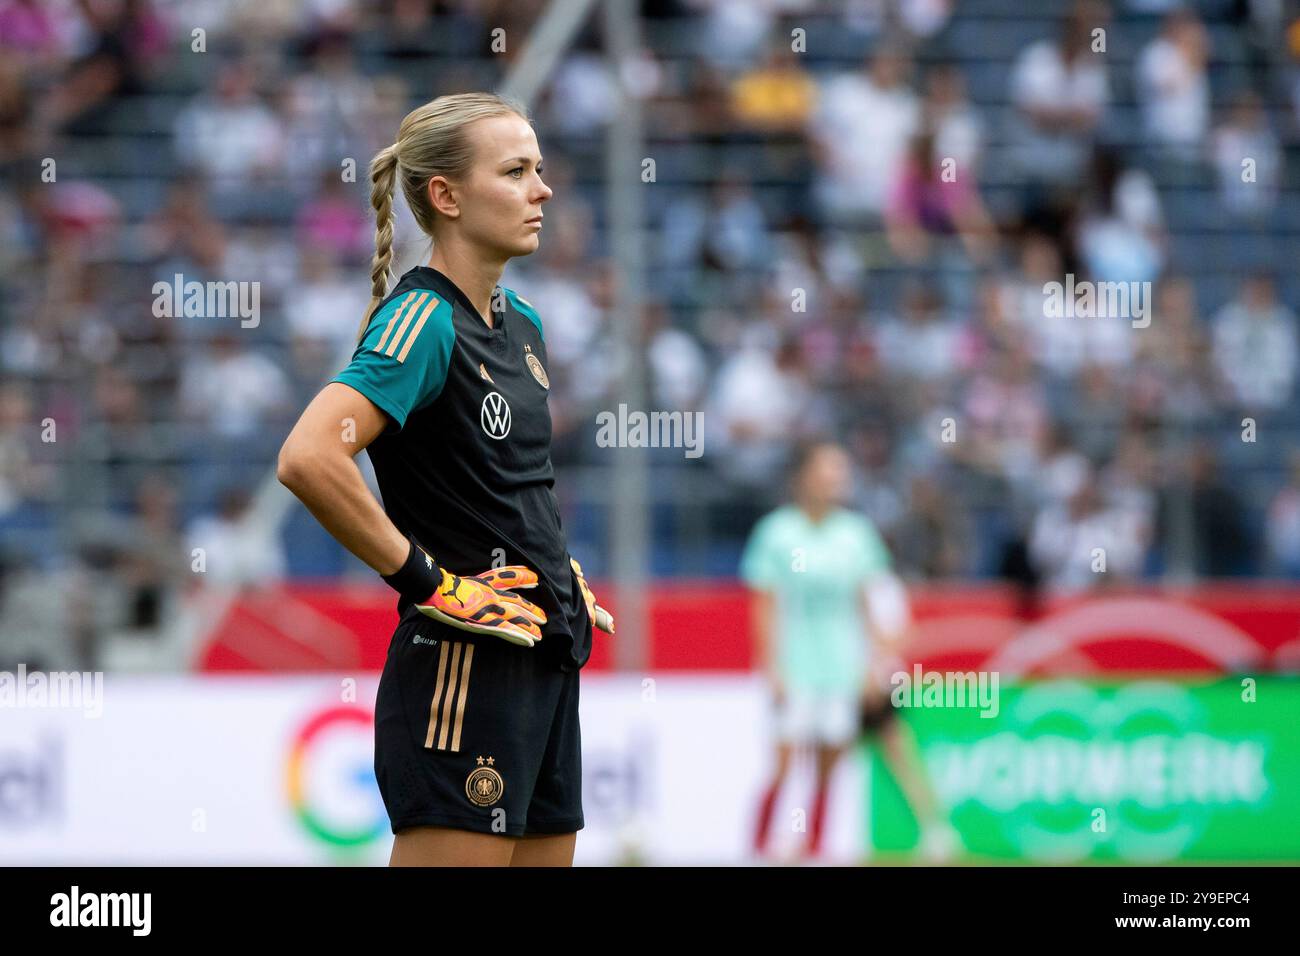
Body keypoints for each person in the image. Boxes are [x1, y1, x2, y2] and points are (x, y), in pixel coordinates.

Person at [277, 92, 612, 867]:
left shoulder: (521, 321)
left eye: (540, 169)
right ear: (447, 196)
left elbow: (492, 483)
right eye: (517, 171)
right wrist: (428, 580)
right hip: (462, 674)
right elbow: (308, 456)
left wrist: (554, 571)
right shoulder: (421, 319)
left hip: (544, 657)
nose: (543, 189)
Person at [742, 440, 952, 862]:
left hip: (841, 670)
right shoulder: (777, 533)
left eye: (840, 472)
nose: (836, 480)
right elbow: (765, 604)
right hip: (796, 665)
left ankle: (813, 850)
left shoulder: (856, 535)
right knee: (783, 764)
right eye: (828, 471)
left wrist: (874, 663)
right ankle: (758, 849)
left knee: (826, 769)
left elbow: (869, 602)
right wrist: (773, 666)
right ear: (804, 476)